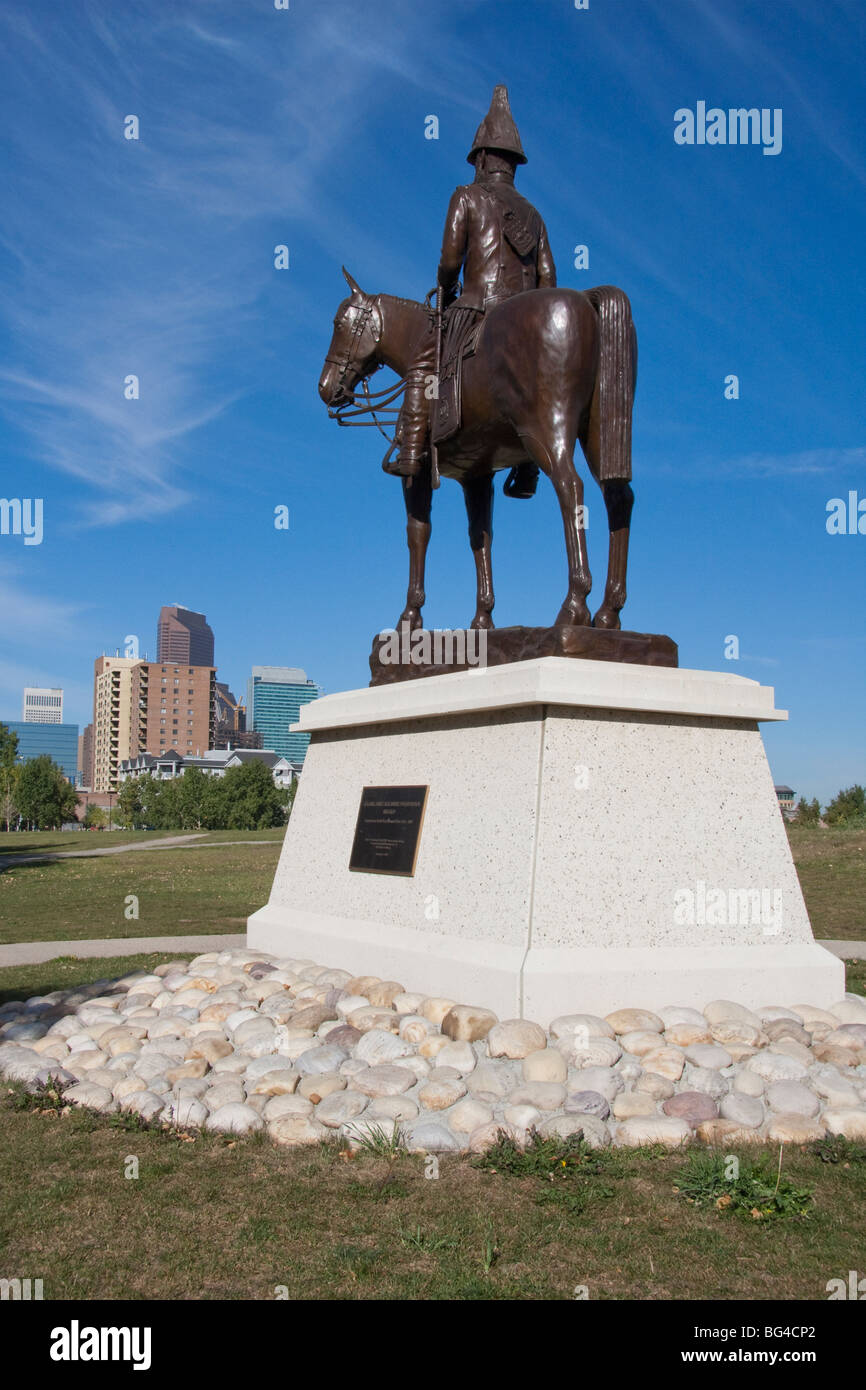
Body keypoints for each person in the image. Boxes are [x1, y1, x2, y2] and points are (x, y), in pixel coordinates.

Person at [385, 85, 557, 497]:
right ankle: (531, 466)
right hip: (530, 319)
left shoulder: (467, 196)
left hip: (478, 308)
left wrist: (445, 291)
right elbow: (549, 280)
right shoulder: (534, 215)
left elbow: (449, 262)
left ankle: (410, 449)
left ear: (480, 159)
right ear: (514, 164)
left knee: (422, 361)